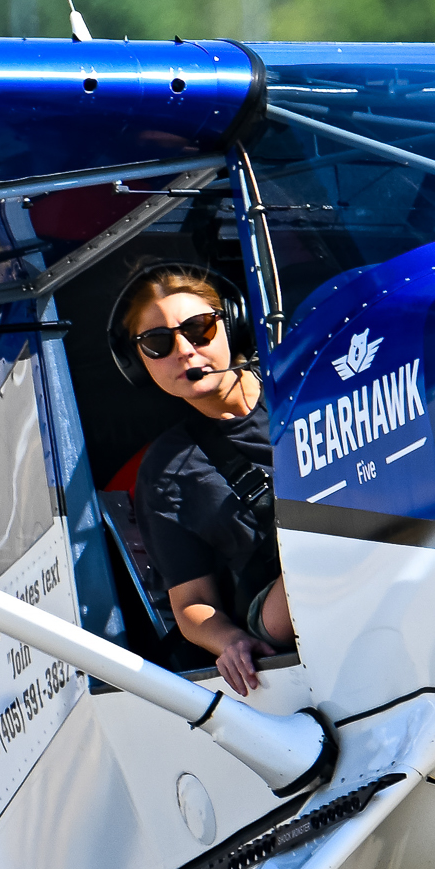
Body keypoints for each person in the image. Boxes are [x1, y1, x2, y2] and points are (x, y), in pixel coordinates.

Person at [117, 261, 297, 693]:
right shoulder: (164, 473)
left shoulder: (305, 387)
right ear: (140, 363)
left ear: (229, 324)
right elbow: (192, 604)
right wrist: (231, 640)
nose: (183, 349)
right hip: (281, 604)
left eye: (198, 328)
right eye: (158, 342)